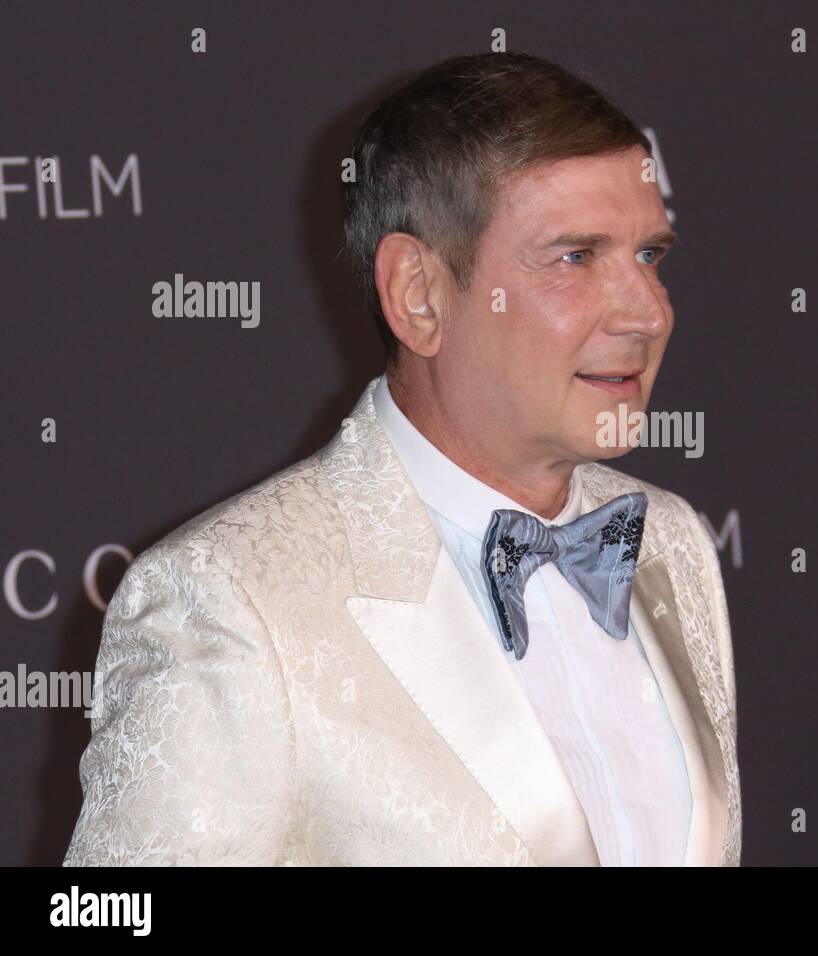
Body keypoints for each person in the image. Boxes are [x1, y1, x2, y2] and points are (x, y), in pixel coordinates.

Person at [62, 51, 739, 866]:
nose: (648, 313)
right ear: (418, 295)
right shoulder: (233, 599)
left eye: (649, 256)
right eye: (576, 257)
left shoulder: (672, 545)